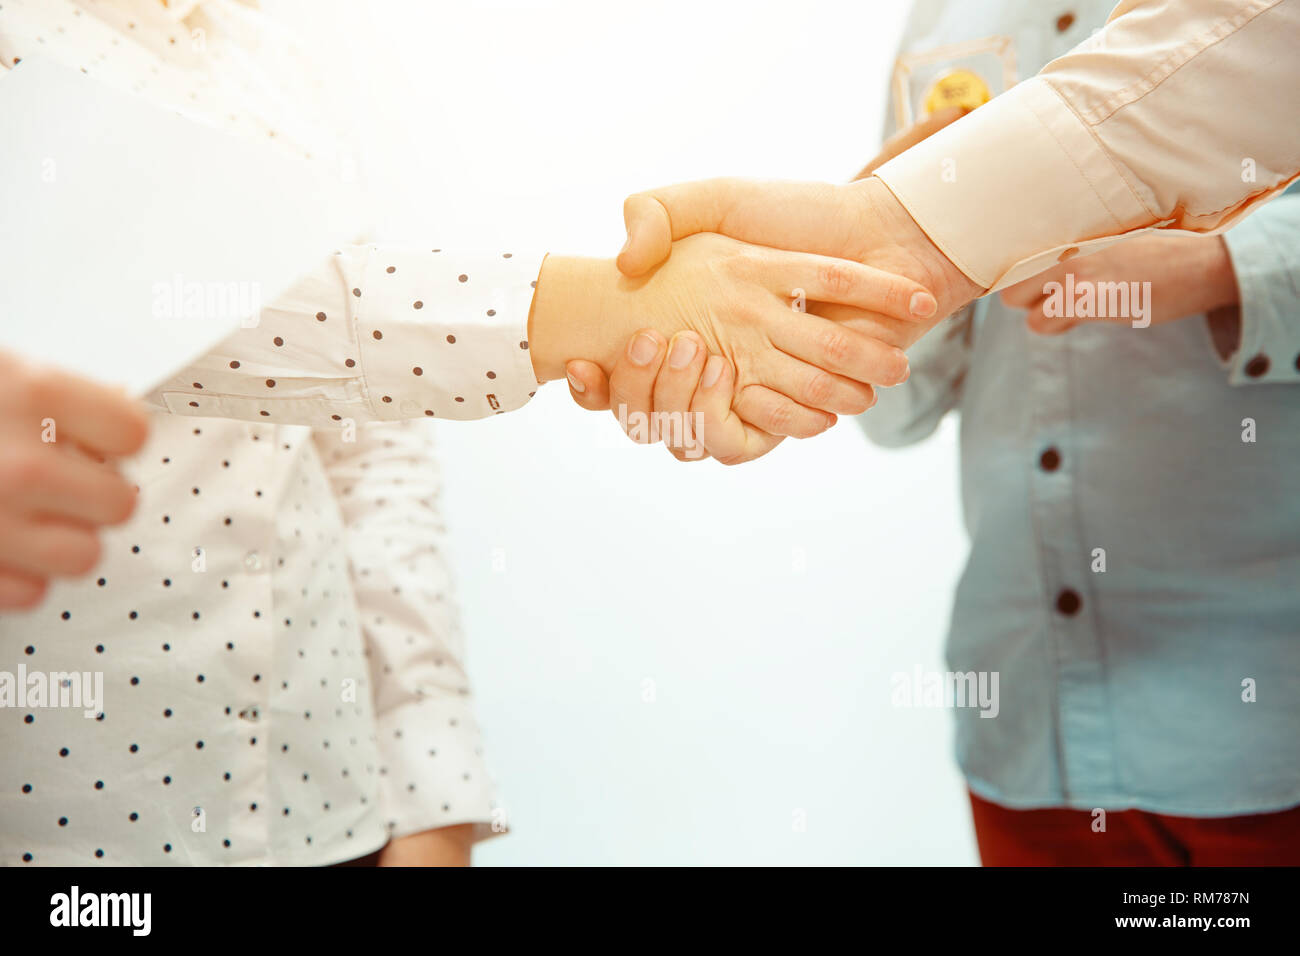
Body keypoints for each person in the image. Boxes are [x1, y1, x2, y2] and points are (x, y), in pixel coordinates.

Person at [0, 0, 926, 867]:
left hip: (328, 804)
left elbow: (369, 451)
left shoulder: (263, 54)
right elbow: (214, 314)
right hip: (81, 819)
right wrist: (593, 309)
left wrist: (429, 782)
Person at [570, 0, 1300, 865]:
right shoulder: (939, 26)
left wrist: (1222, 268)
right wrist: (866, 298)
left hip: (1256, 716)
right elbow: (897, 412)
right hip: (1024, 717)